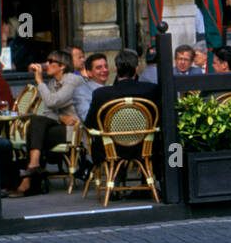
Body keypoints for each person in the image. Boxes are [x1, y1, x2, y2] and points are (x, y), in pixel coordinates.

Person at [11, 50, 87, 197]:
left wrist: (39, 81)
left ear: (62, 66)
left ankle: (28, 181)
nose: (47, 64)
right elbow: (47, 112)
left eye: (51, 61)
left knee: (35, 132)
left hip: (76, 130)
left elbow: (53, 102)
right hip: (62, 127)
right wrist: (61, 118)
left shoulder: (73, 80)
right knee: (37, 125)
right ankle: (33, 169)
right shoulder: (53, 83)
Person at [82, 49, 162, 163]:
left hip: (110, 148)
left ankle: (116, 175)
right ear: (136, 69)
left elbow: (90, 124)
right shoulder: (151, 90)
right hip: (145, 146)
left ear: (116, 69)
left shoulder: (101, 94)